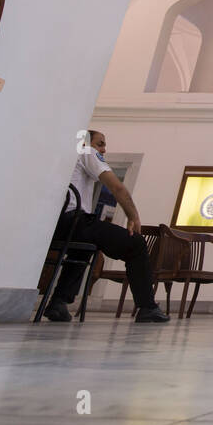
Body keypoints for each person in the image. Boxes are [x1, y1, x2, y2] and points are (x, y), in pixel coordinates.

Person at [44, 130, 169, 323]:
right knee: (135, 243)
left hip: (53, 224)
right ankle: (147, 306)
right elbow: (116, 187)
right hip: (74, 220)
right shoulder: (86, 151)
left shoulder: (62, 157)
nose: (104, 149)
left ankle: (58, 303)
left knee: (83, 251)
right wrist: (133, 216)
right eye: (100, 143)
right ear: (87, 142)